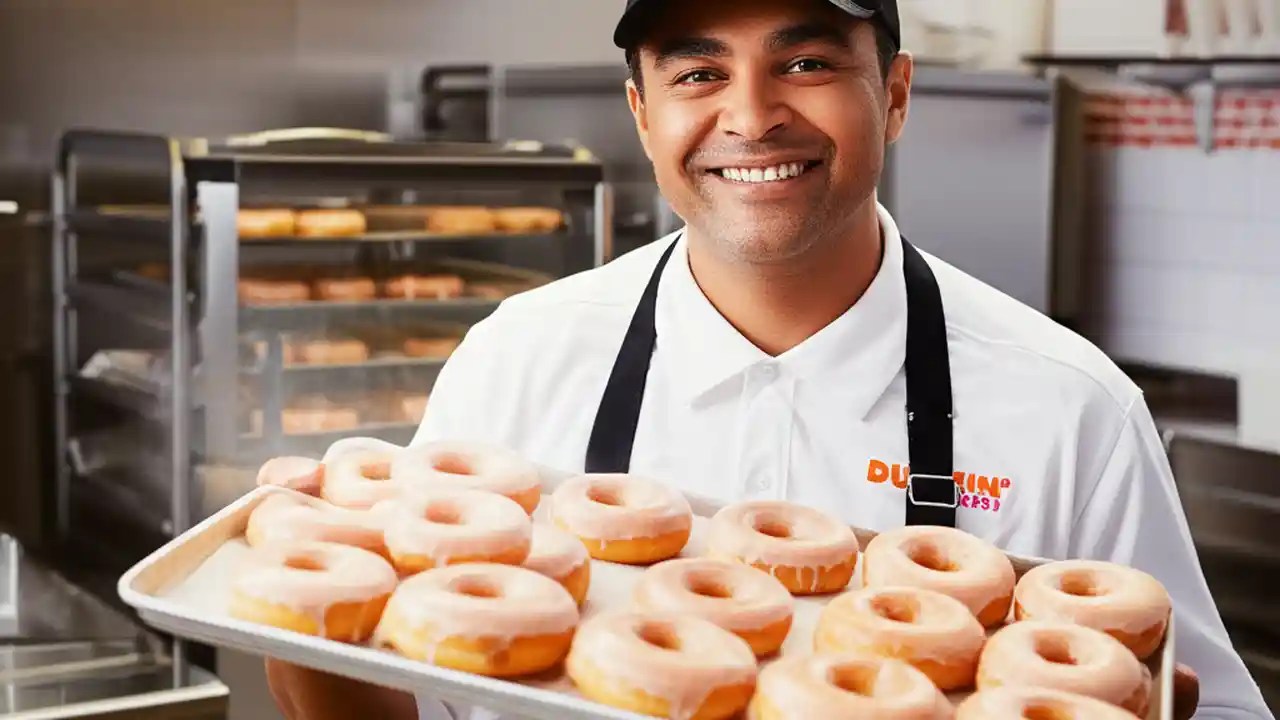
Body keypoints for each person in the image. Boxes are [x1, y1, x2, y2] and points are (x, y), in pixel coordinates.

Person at [264, 1, 1273, 718]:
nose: (749, 116)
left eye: (805, 63)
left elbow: (1205, 704)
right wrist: (305, 634)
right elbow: (434, 695)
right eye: (698, 72)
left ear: (897, 95)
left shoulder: (1068, 410)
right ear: (642, 115)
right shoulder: (516, 364)